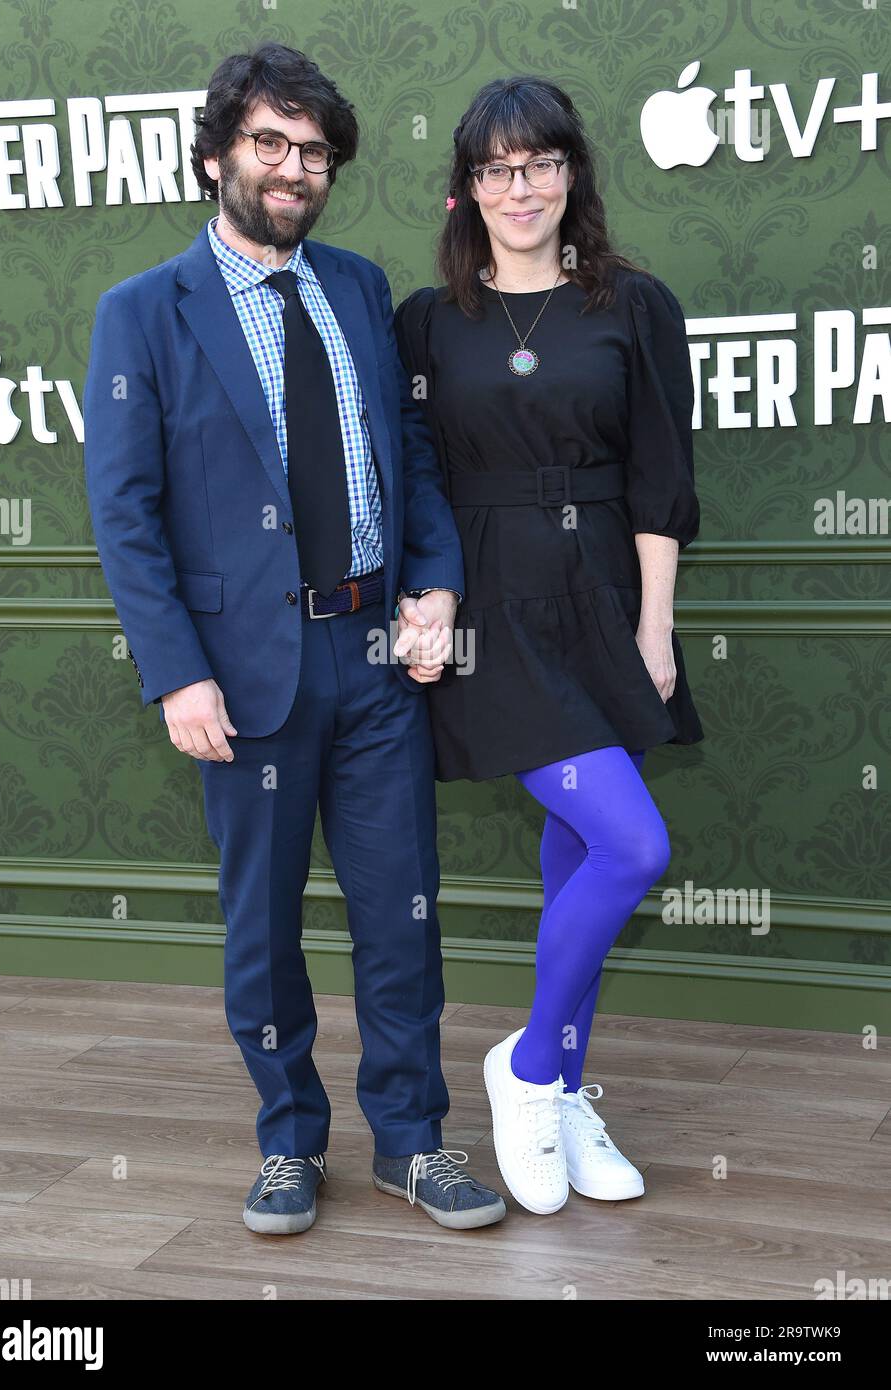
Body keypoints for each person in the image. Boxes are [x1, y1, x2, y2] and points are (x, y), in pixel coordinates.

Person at [83, 41, 506, 1235]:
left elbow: (411, 457)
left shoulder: (362, 290)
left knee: (400, 912)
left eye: (313, 151)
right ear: (217, 154)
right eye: (269, 142)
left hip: (376, 658)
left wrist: (434, 586)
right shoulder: (142, 315)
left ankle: (412, 1141)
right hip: (243, 675)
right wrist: (176, 672)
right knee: (264, 931)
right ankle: (289, 1140)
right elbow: (123, 511)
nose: (292, 167)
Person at [394, 76, 705, 1216]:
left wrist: (654, 626)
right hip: (486, 610)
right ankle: (526, 1067)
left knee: (583, 844)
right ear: (465, 189)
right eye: (495, 168)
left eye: (539, 164)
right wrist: (425, 598)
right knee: (632, 845)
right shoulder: (429, 322)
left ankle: (562, 1086)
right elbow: (412, 470)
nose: (518, 188)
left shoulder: (635, 304)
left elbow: (663, 478)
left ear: (572, 173)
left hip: (602, 600)